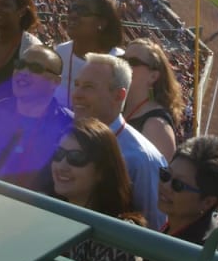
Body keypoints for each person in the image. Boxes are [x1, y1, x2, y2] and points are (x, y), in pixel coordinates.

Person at [6, 118, 144, 261]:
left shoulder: (120, 236)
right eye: (58, 154)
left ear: (102, 172)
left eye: (76, 158)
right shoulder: (48, 211)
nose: (62, 165)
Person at [71, 53, 167, 229]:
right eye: (76, 85)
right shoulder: (67, 137)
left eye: (88, 87)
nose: (76, 94)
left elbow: (155, 229)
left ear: (118, 95)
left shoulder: (142, 158)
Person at [0, 46, 73, 193]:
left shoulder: (69, 126)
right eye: (20, 65)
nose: (24, 72)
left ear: (55, 81)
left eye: (35, 68)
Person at [54, 0, 124, 108]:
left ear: (102, 22)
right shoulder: (59, 53)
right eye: (72, 8)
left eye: (83, 11)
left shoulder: (119, 62)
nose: (73, 15)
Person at [122, 38, 184, 159]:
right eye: (122, 59)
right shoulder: (116, 107)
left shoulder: (157, 127)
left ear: (153, 76)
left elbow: (160, 177)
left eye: (133, 62)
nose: (124, 65)